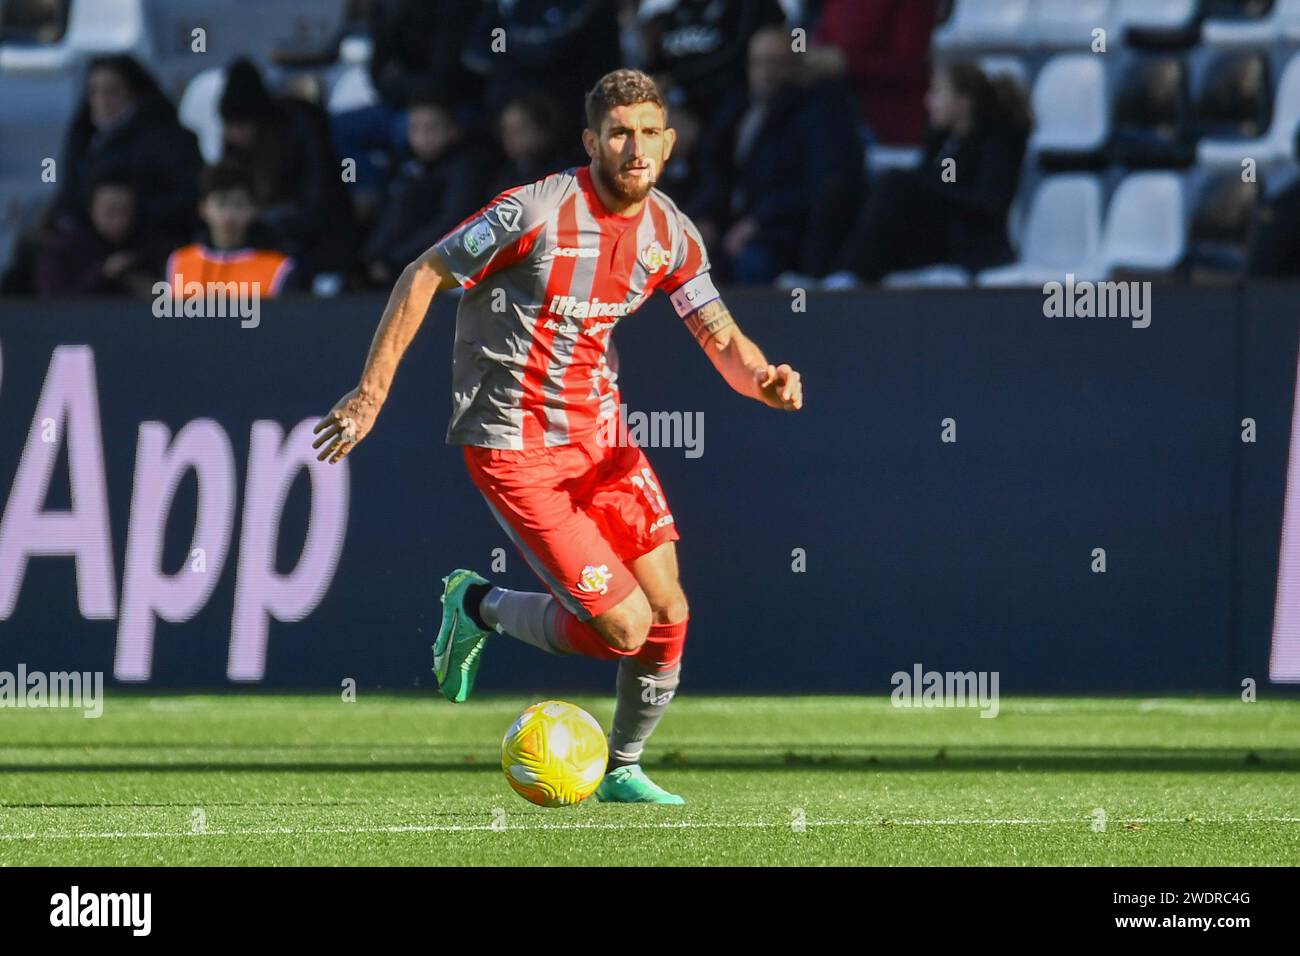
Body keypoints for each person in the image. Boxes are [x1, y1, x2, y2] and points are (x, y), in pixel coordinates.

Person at [313, 69, 803, 805]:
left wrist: (762, 376)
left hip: (603, 442)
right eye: (617, 133)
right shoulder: (534, 212)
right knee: (623, 628)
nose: (633, 148)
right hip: (514, 444)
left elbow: (720, 337)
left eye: (647, 134)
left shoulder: (669, 231)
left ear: (668, 143)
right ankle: (477, 604)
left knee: (669, 612)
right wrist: (371, 393)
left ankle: (623, 767)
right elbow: (423, 274)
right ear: (591, 141)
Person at [825, 61, 1031, 285]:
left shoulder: (997, 140)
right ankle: (826, 274)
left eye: (938, 92)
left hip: (967, 243)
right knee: (843, 189)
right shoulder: (941, 139)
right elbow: (927, 184)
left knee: (896, 185)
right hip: (931, 238)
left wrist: (934, 191)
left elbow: (987, 202)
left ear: (964, 101)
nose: (928, 101)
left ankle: (854, 274)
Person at [51, 54, 202, 246]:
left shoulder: (170, 143)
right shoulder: (82, 140)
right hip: (89, 247)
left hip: (152, 245)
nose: (102, 100)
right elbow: (67, 199)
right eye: (94, 92)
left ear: (135, 94)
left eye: (112, 91)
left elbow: (185, 203)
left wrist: (130, 212)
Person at [361, 92, 488, 286]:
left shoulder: (465, 170)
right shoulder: (407, 168)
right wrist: (372, 256)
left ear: (453, 130)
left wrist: (394, 261)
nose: (423, 137)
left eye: (431, 128)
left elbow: (451, 226)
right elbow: (393, 219)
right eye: (415, 128)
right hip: (400, 266)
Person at [165, 164, 294, 298]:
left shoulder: (278, 268)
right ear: (203, 209)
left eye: (239, 204)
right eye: (221, 203)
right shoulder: (179, 263)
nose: (229, 215)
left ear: (254, 210)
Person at [34, 168, 167, 297]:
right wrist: (103, 274)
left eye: (126, 211)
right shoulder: (62, 248)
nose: (119, 221)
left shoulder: (148, 246)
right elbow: (55, 305)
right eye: (110, 212)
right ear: (91, 208)